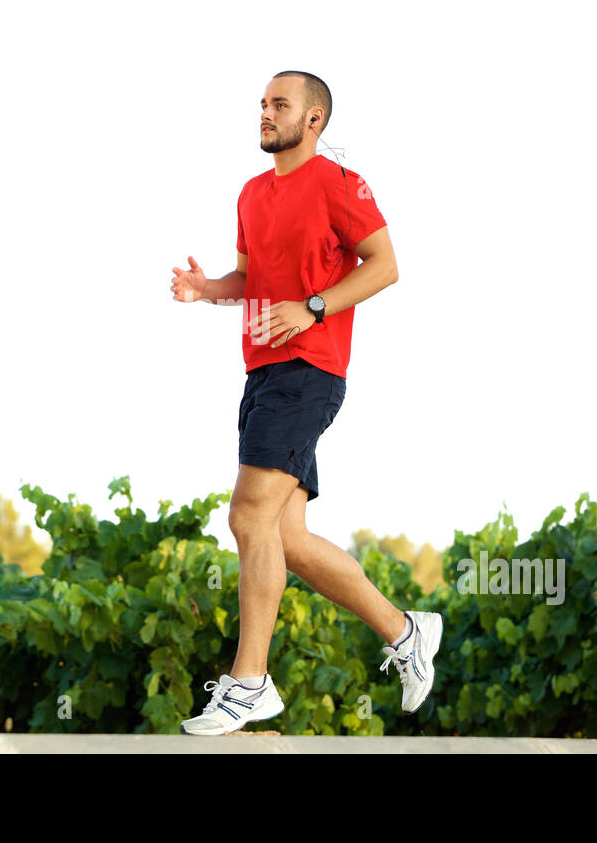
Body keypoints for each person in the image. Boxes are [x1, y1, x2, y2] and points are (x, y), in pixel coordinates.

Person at [168, 70, 443, 736]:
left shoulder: (338, 184)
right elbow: (252, 278)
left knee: (247, 516)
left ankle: (249, 682)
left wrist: (313, 306)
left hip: (309, 370)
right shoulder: (251, 194)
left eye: (279, 104)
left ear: (314, 119)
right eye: (262, 103)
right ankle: (406, 632)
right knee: (282, 536)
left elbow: (384, 264)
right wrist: (208, 290)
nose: (265, 113)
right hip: (261, 373)